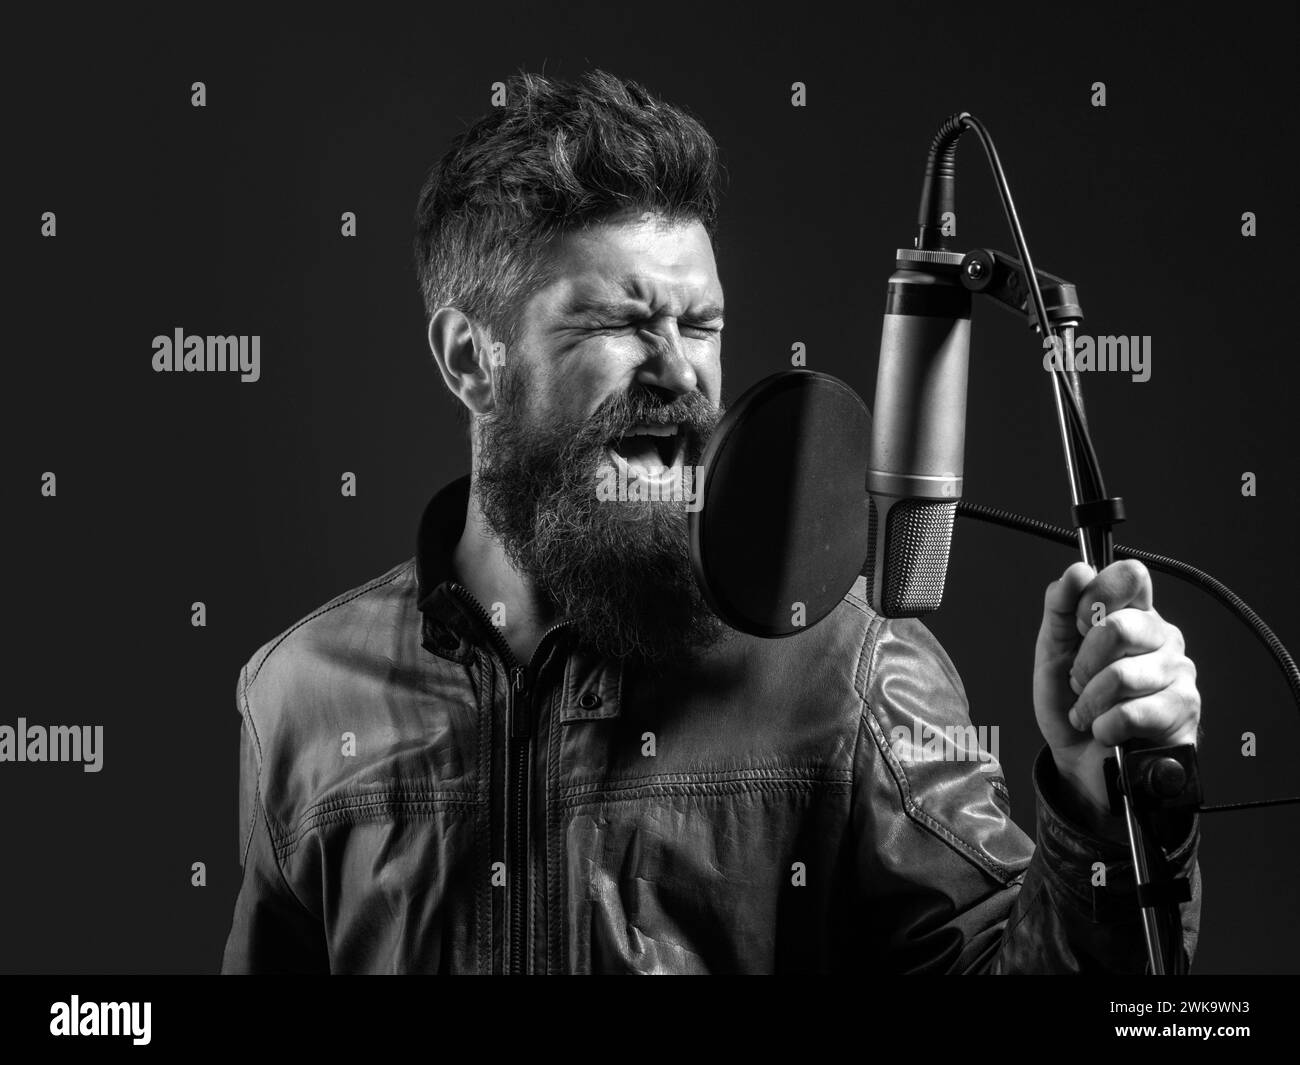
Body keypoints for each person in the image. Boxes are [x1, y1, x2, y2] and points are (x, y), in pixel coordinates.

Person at [221, 70, 1202, 974]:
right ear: (469, 360)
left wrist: (1092, 809)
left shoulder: (850, 664)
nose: (679, 372)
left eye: (699, 326)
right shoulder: (300, 698)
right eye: (617, 323)